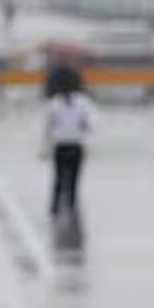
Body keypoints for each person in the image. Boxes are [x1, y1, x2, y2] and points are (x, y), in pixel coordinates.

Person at [45, 86, 93, 215]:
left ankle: (70, 206)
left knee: (72, 180)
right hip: (63, 145)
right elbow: (49, 126)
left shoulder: (81, 103)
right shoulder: (55, 103)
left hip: (74, 144)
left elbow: (88, 123)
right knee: (60, 178)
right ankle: (57, 206)